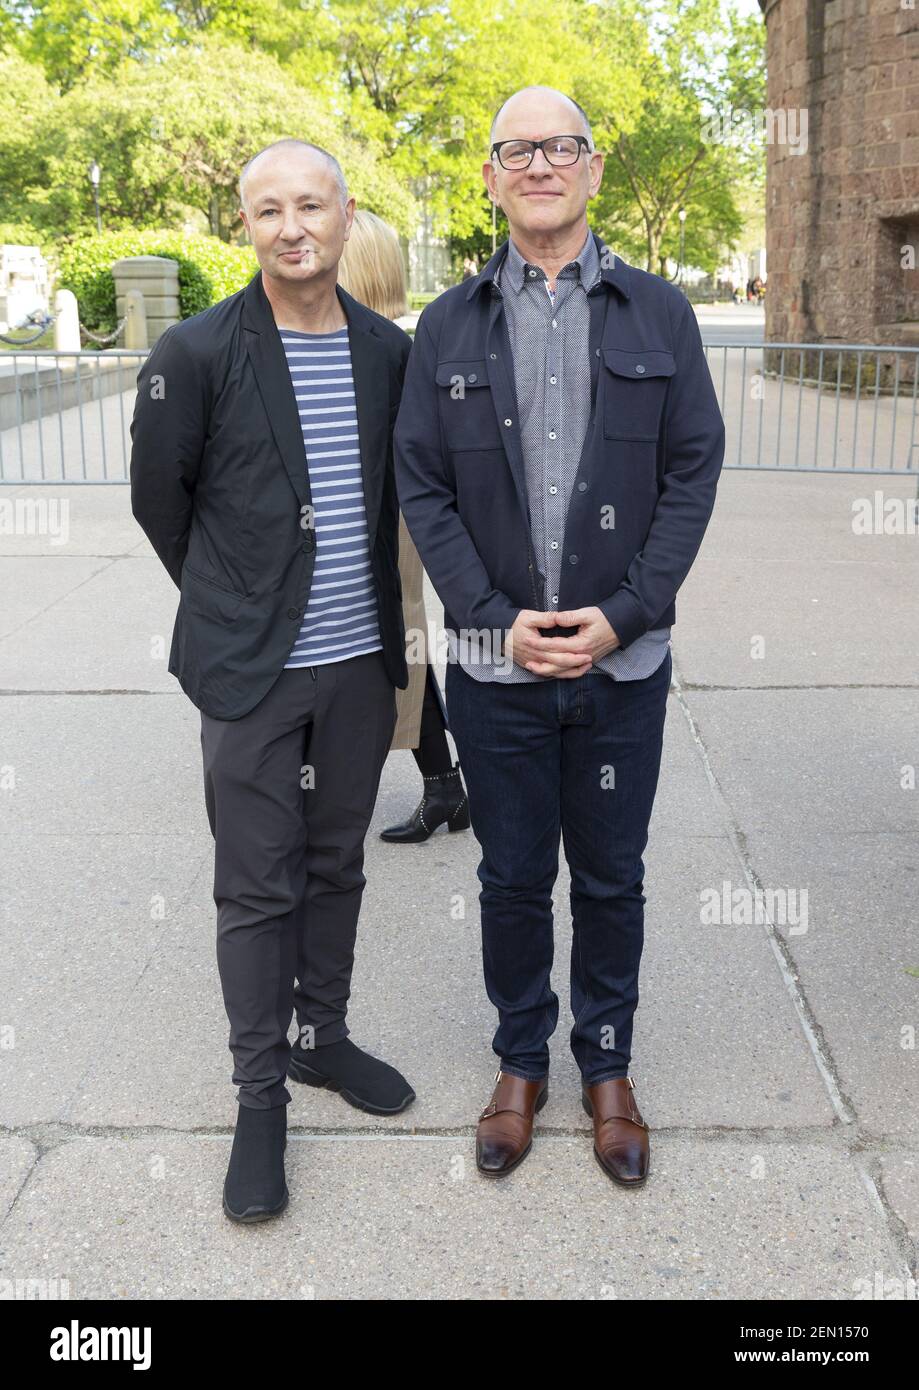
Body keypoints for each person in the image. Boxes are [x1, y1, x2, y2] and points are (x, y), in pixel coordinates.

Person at [395, 87, 725, 1187]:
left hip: (622, 667)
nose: (539, 164)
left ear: (591, 170)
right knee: (509, 876)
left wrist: (623, 613)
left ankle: (608, 1063)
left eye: (560, 147)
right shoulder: (445, 326)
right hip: (495, 674)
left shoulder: (660, 315)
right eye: (516, 150)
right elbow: (422, 488)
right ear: (490, 178)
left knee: (612, 876)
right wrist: (493, 621)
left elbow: (689, 475)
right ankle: (518, 1061)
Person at [130, 139, 416, 1225]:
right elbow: (164, 504)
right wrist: (237, 603)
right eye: (266, 210)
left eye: (311, 205)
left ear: (346, 216)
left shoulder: (386, 352)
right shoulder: (196, 353)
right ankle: (258, 1097)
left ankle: (320, 1038)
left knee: (335, 862)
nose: (291, 227)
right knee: (257, 885)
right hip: (249, 675)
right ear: (243, 227)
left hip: (355, 669)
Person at [336, 208, 470, 842]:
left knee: (394, 651)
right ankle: (446, 785)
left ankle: (441, 784)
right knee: (401, 652)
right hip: (381, 520)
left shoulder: (385, 349)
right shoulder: (385, 342)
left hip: (384, 523)